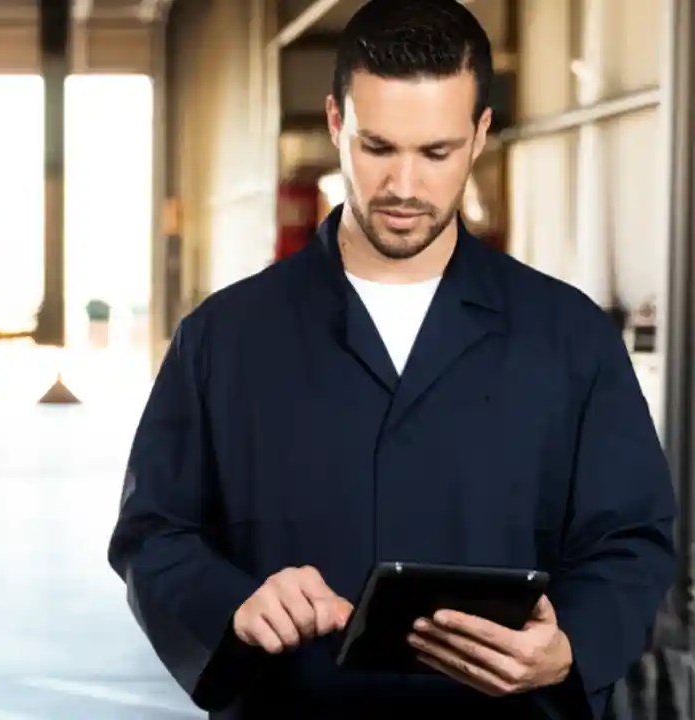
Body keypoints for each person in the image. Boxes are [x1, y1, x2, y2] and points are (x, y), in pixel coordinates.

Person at [105, 1, 676, 718]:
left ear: (480, 135)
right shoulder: (225, 337)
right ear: (337, 124)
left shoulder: (567, 336)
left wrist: (573, 644)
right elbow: (155, 531)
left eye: (436, 152)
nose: (404, 186)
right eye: (378, 147)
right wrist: (232, 605)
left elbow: (633, 537)